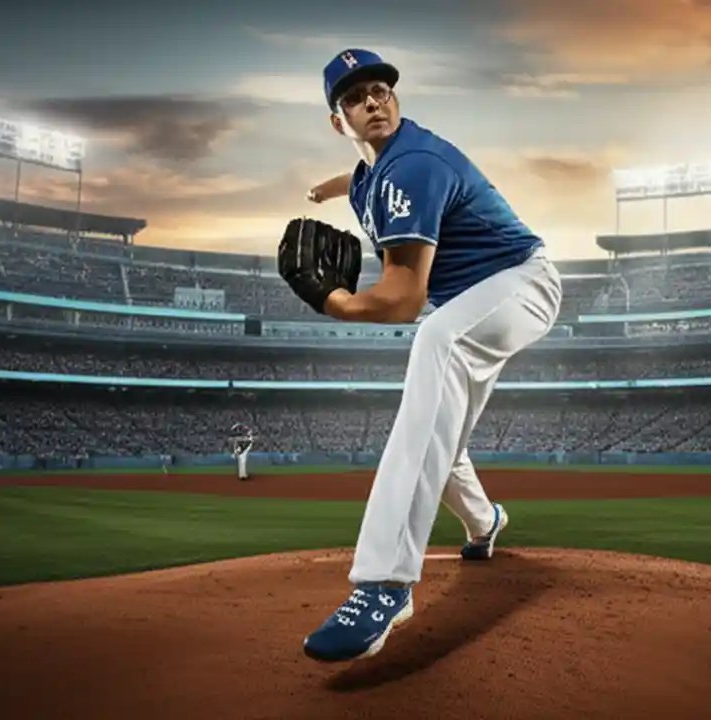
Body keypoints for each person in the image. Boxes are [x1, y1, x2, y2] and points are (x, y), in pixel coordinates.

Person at [292, 48, 562, 662]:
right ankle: (484, 522)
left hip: (520, 283)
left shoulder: (412, 164)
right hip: (476, 298)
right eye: (356, 97)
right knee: (442, 430)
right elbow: (358, 179)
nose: (373, 101)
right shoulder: (372, 172)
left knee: (435, 341)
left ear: (396, 97)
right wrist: (328, 188)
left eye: (381, 89)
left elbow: (404, 299)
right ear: (340, 122)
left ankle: (385, 583)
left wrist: (332, 299)